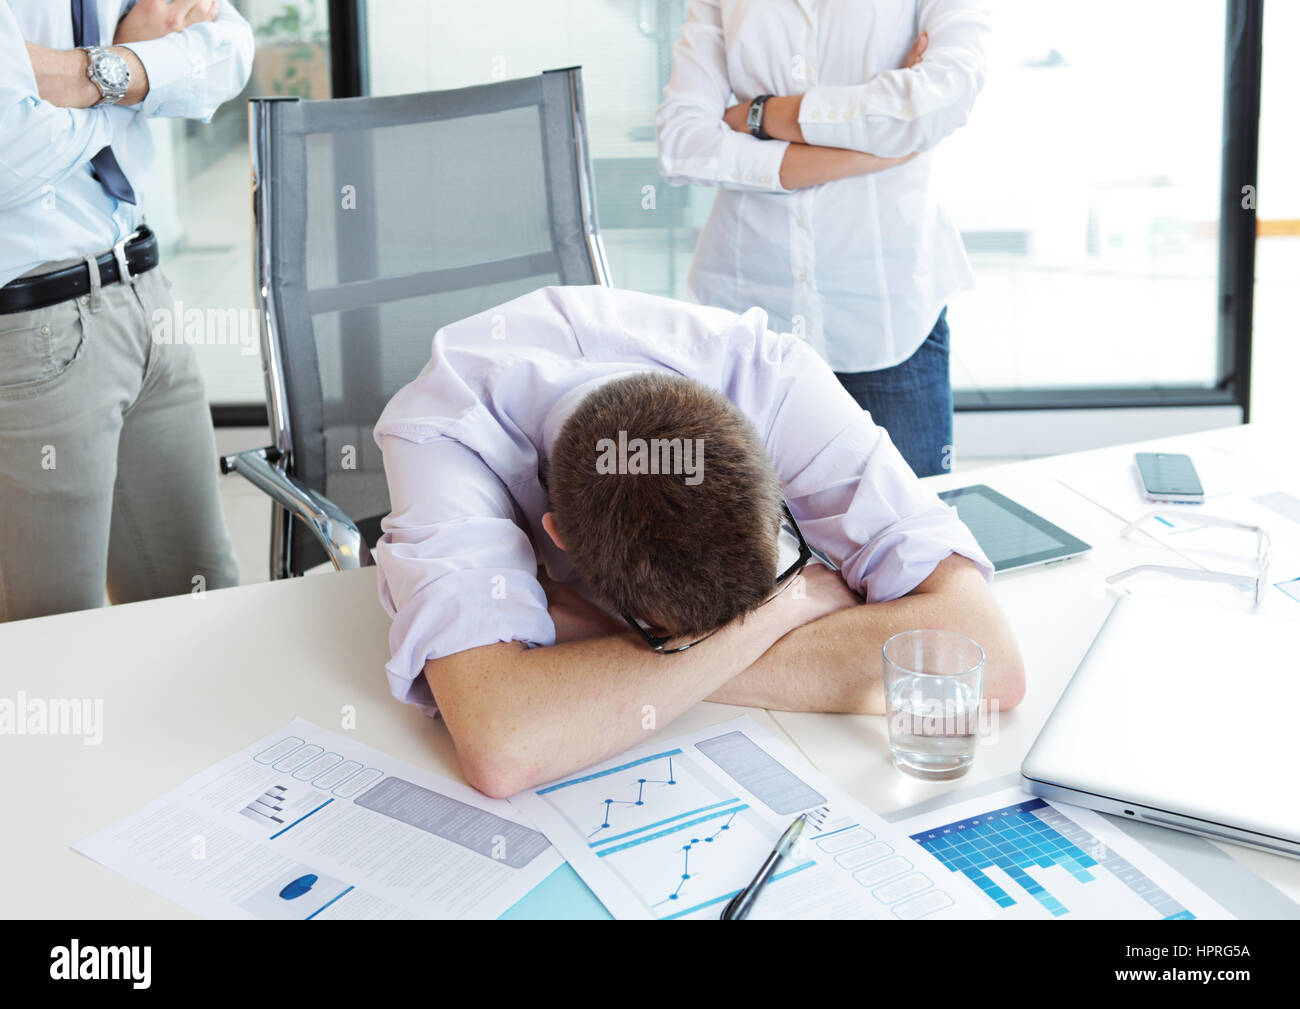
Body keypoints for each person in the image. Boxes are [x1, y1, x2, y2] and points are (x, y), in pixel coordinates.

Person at [373, 285, 1024, 798]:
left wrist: (610, 651)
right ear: (559, 537)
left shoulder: (772, 379)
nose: (697, 644)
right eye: (661, 635)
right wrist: (785, 608)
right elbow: (504, 738)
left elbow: (986, 661)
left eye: (773, 583)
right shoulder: (441, 432)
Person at [655, 0, 992, 477]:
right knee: (750, 544)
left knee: (914, 537)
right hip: (747, 323)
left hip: (887, 323)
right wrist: (873, 149)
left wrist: (761, 115)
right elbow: (682, 144)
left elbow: (941, 98)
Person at [0, 1, 252, 621]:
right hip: (35, 326)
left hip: (145, 288)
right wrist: (135, 77)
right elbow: (7, 154)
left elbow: (230, 51)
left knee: (200, 596)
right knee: (57, 633)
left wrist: (73, 75)